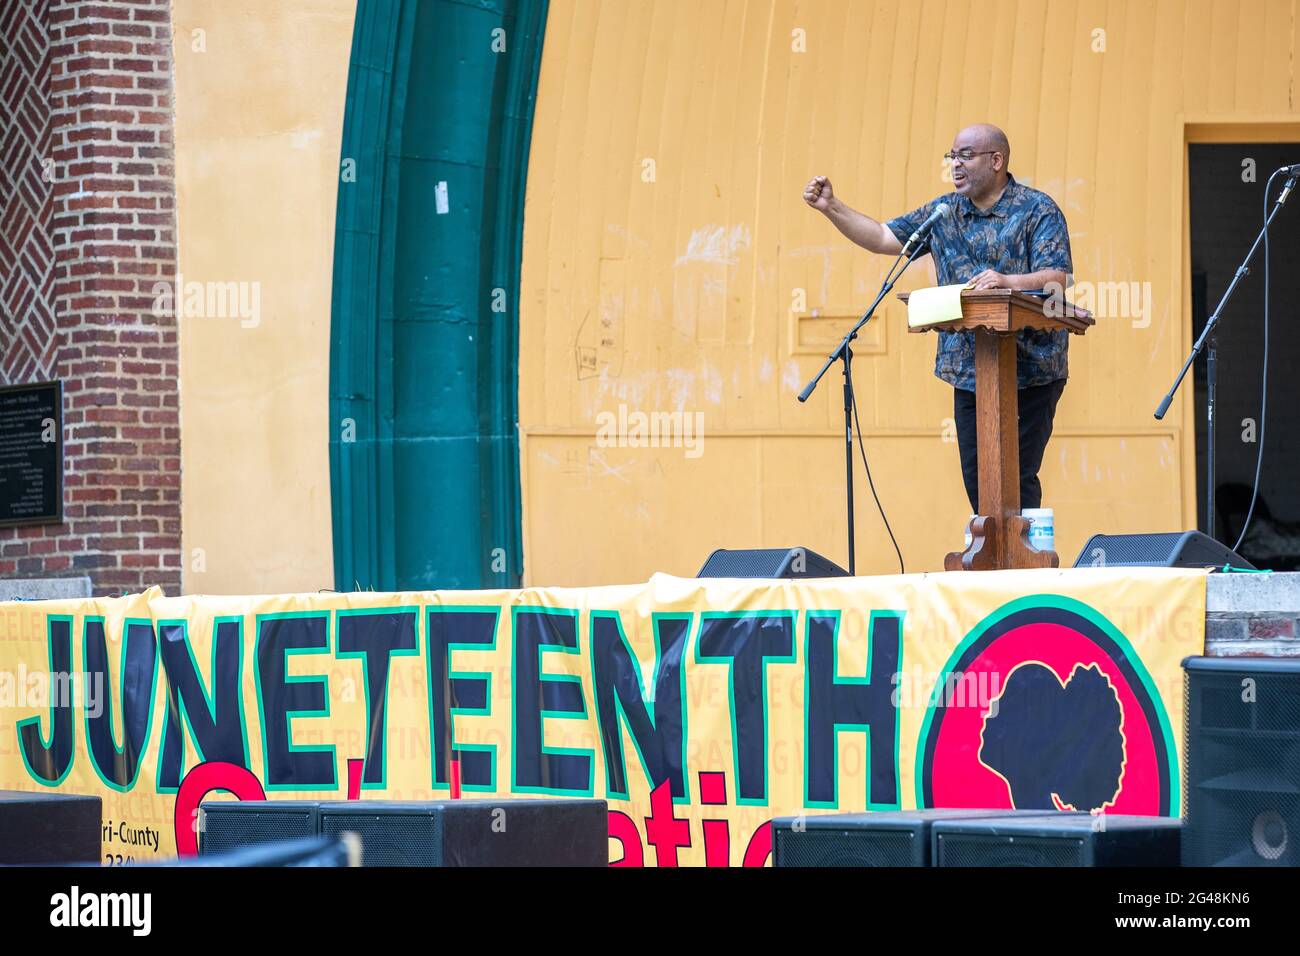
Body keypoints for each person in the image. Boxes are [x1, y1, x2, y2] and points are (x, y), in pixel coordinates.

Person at [803, 123, 1072, 514]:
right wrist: (832, 207)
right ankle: (990, 562)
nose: (955, 165)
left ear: (996, 161)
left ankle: (1022, 567)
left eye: (966, 155)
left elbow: (1057, 280)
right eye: (952, 157)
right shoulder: (943, 213)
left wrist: (1006, 281)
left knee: (1016, 478)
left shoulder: (1037, 209)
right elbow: (881, 237)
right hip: (968, 370)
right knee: (978, 481)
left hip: (1031, 371)